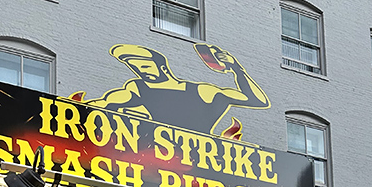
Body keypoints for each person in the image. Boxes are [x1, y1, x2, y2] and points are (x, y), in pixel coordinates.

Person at [86, 44, 270, 136]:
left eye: (145, 66)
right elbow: (109, 101)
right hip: (161, 158)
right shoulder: (138, 88)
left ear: (163, 68)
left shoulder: (202, 92)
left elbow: (257, 100)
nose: (140, 70)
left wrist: (236, 68)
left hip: (204, 161)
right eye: (135, 66)